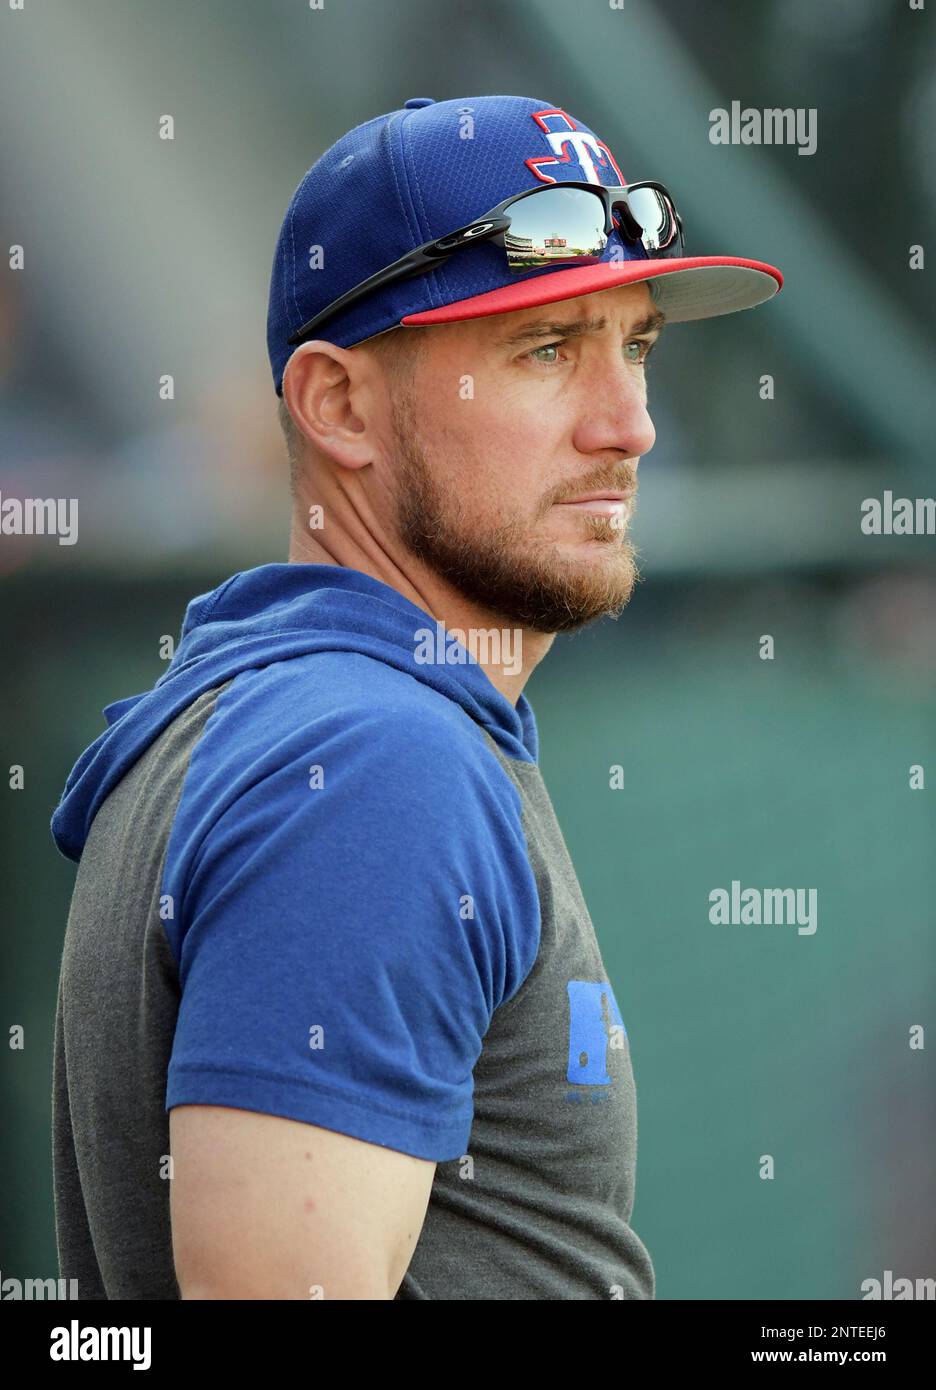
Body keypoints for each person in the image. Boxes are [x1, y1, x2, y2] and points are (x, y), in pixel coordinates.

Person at [50, 94, 782, 1300]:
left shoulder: (292, 720)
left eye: (635, 345)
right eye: (546, 349)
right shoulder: (371, 765)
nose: (631, 425)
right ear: (340, 406)